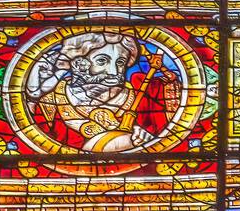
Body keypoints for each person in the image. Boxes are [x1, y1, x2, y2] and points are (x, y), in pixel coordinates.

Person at [26, 31, 177, 153]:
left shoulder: (146, 95)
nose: (114, 72)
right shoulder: (49, 103)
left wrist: (146, 142)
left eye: (120, 63)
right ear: (77, 63)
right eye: (102, 61)